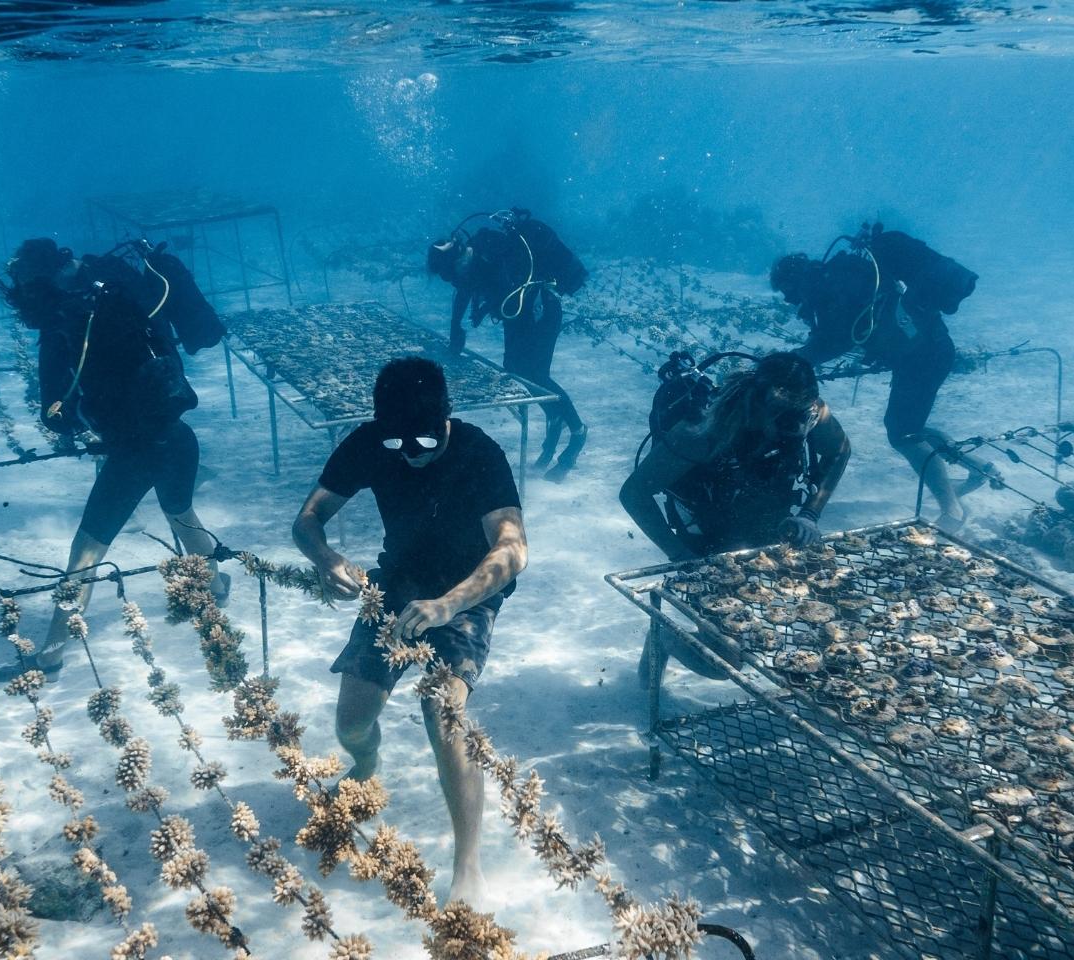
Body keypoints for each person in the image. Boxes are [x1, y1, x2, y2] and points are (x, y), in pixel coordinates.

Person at [292, 356, 527, 907]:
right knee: (351, 724)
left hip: (466, 592)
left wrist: (449, 604)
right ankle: (366, 764)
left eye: (424, 440)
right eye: (398, 444)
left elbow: (513, 549)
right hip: (396, 585)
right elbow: (307, 520)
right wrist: (326, 559)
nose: (412, 454)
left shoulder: (479, 453)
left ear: (447, 416)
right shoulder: (371, 442)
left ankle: (467, 865)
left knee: (442, 714)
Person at [0, 237, 226, 680]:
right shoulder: (123, 287)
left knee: (86, 553)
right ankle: (217, 585)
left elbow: (56, 415)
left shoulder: (64, 323)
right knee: (181, 514)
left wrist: (84, 420)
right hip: (177, 436)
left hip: (132, 452)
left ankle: (51, 656)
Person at [620, 352, 850, 680]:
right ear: (758, 405)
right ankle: (664, 637)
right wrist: (681, 555)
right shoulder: (703, 430)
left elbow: (840, 450)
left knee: (816, 622)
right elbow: (634, 493)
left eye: (801, 415)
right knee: (723, 664)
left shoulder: (810, 411)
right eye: (783, 416)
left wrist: (810, 514)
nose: (796, 426)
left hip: (767, 526)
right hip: (706, 535)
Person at [771, 224, 984, 529]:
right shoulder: (843, 276)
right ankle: (979, 468)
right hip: (930, 350)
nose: (790, 301)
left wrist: (789, 361)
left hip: (923, 358)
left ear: (796, 281)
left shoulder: (833, 289)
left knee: (903, 434)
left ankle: (952, 511)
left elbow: (834, 341)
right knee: (910, 425)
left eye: (787, 292)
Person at [427, 208, 589, 480]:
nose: (451, 279)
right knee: (514, 368)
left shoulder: (491, 253)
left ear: (458, 256)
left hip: (542, 311)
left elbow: (504, 287)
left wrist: (473, 315)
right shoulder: (471, 262)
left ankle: (577, 432)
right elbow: (466, 290)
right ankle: (554, 419)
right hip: (519, 315)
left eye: (449, 273)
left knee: (537, 374)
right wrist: (456, 325)